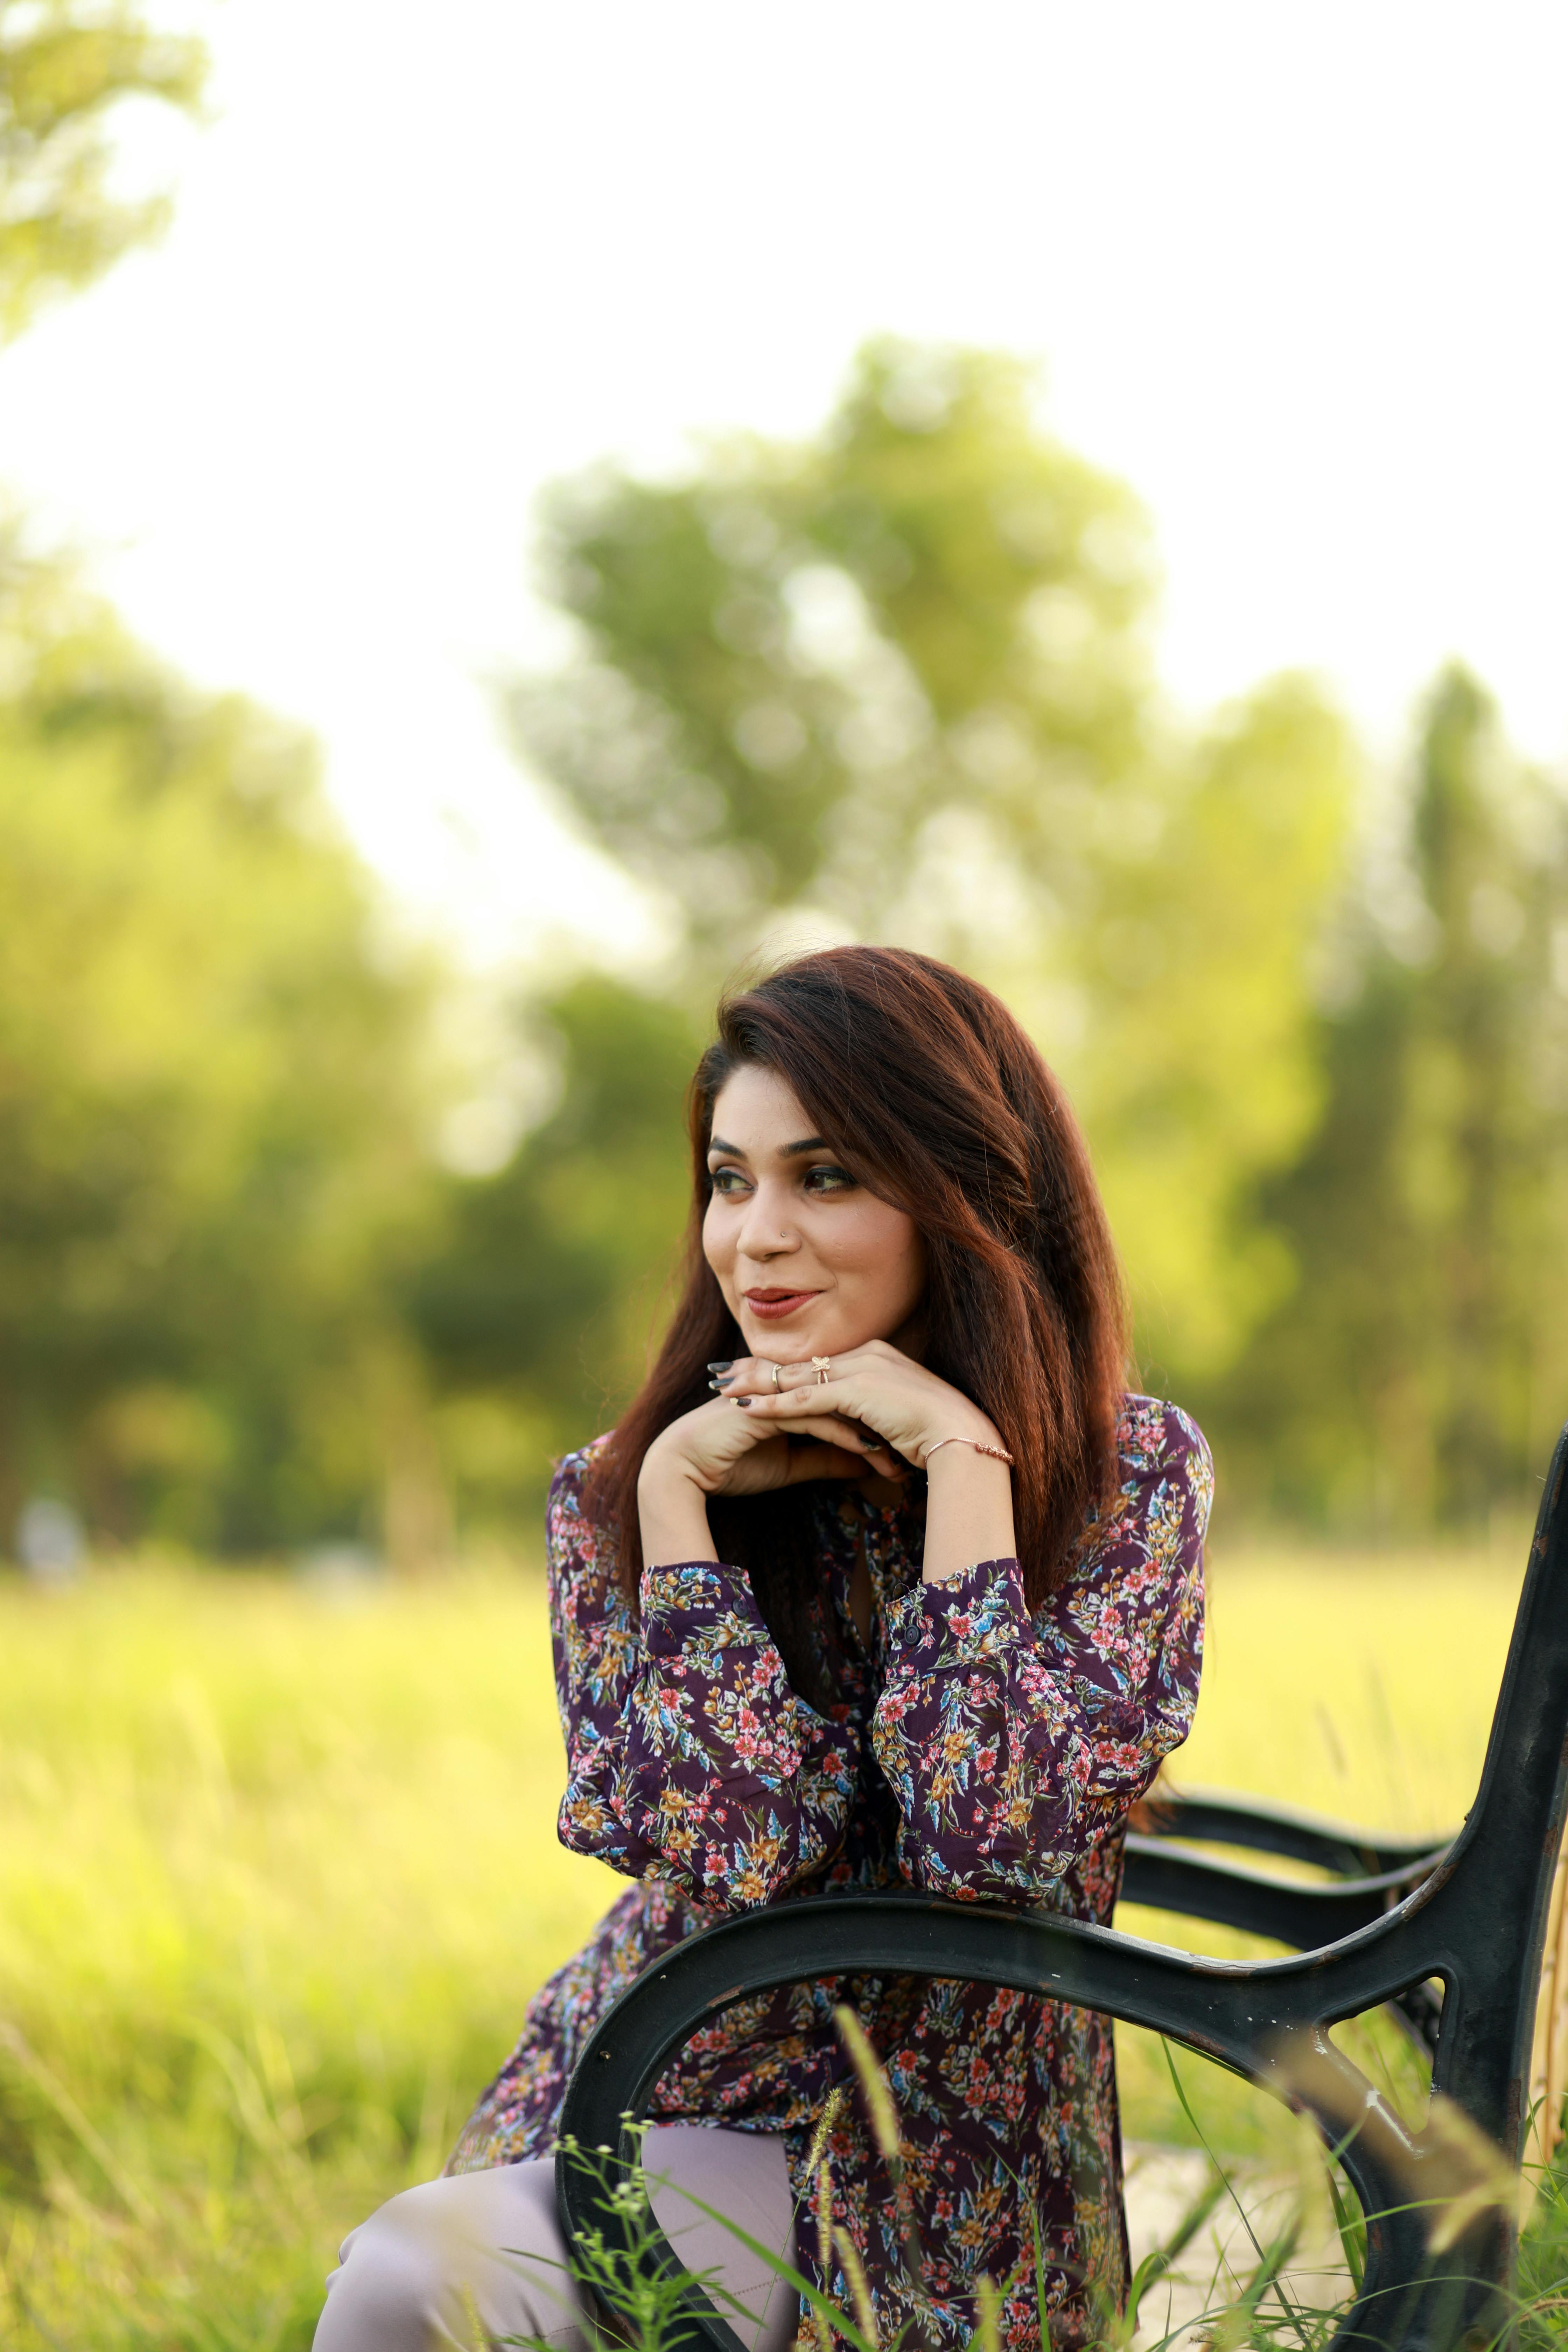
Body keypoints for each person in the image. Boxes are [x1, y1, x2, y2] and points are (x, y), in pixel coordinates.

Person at [314, 946, 1210, 2352]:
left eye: (827, 1176)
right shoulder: (626, 1487)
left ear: (965, 1194)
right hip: (666, 2092)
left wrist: (963, 1469)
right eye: (730, 1181)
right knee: (417, 2275)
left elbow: (994, 1843)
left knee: (415, 2277)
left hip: (958, 2180)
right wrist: (675, 1514)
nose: (757, 1236)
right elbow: (735, 1862)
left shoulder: (1126, 1479)